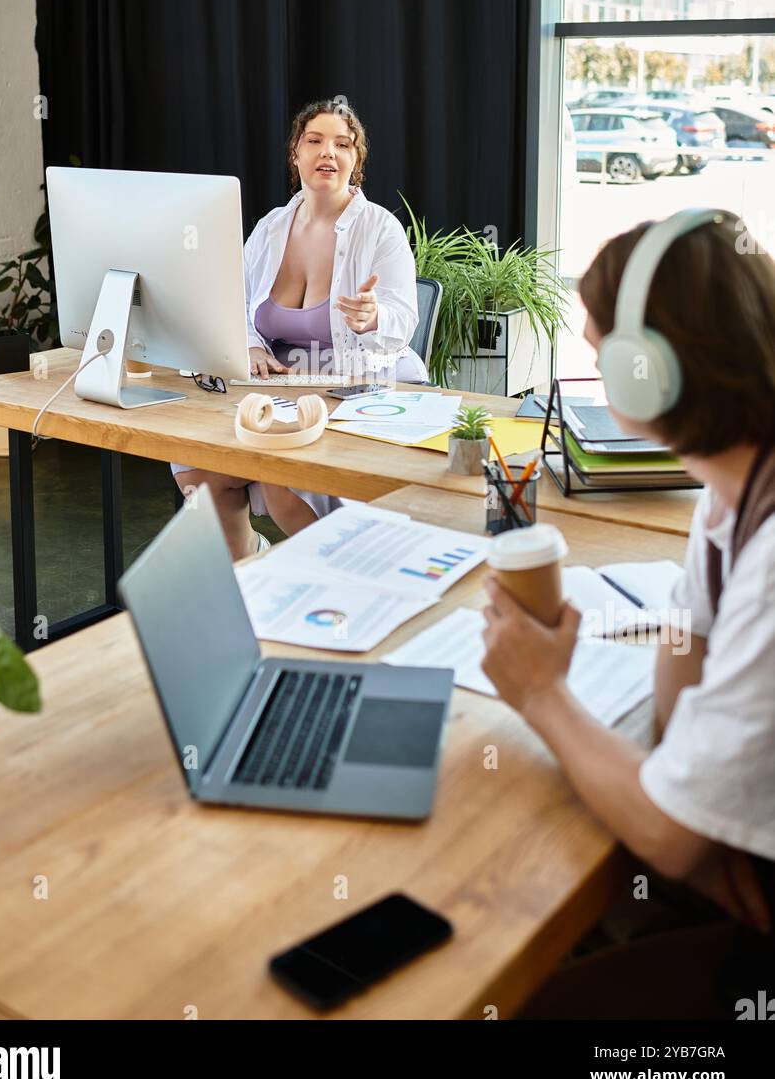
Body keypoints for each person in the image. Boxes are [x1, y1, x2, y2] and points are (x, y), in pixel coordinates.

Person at [482, 210, 775, 1018]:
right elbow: (690, 645)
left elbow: (672, 838)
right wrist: (692, 822)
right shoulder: (733, 486)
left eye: (600, 342)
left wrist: (541, 692)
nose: (589, 353)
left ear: (650, 373)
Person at [172, 99, 428, 558]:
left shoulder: (380, 229)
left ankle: (337, 582)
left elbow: (401, 324)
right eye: (314, 141)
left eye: (342, 144)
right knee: (201, 469)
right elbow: (237, 301)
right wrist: (249, 343)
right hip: (283, 386)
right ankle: (248, 567)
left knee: (281, 481)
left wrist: (374, 318)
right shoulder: (271, 227)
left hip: (361, 382)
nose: (327, 152)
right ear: (296, 154)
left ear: (356, 161)